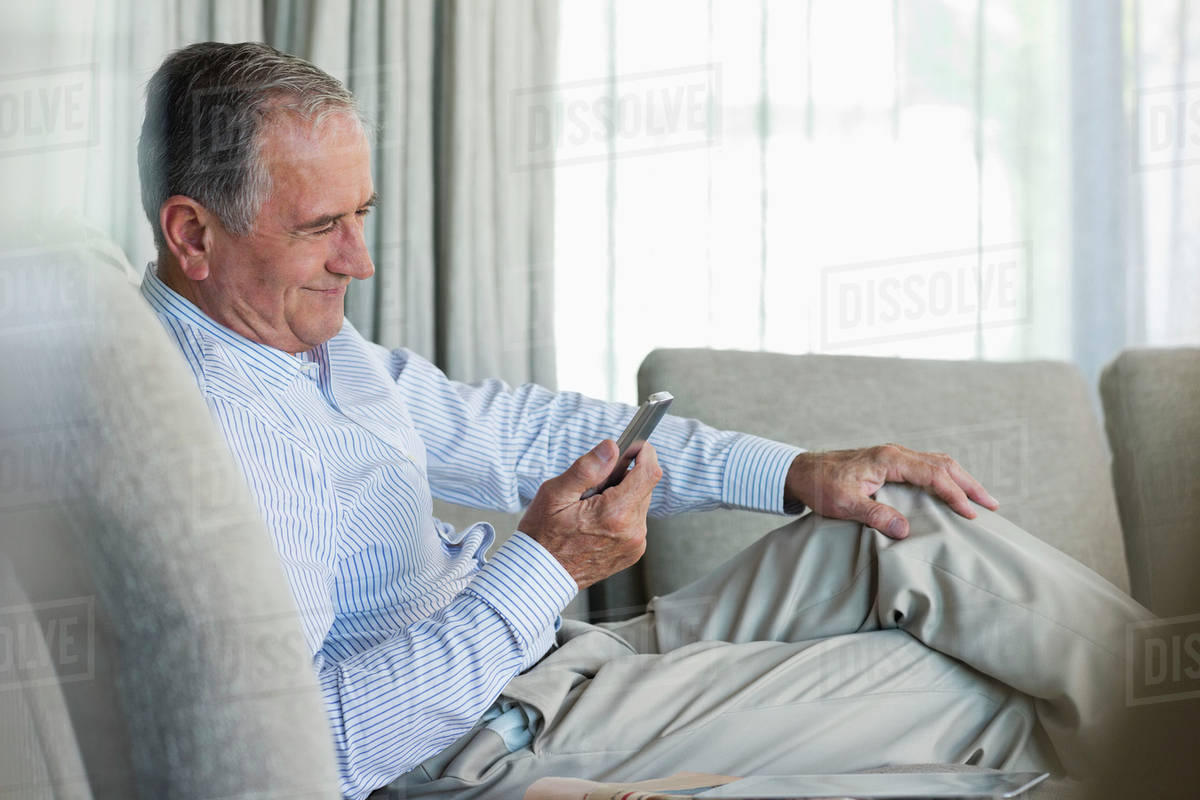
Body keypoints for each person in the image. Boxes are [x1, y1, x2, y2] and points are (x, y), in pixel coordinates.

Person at [137, 42, 1149, 800]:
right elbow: (315, 753)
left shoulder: (305, 343)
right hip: (484, 740)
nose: (359, 260)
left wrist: (796, 470)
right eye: (322, 227)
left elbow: (507, 427)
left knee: (899, 520)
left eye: (361, 214)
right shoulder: (216, 445)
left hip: (560, 662)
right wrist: (545, 566)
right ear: (194, 234)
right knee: (986, 694)